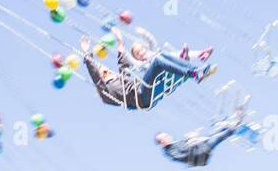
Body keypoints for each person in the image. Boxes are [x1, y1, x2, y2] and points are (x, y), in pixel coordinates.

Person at [79, 28, 214, 110]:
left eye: (106, 69)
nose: (106, 70)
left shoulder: (120, 78)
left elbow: (123, 63)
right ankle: (193, 73)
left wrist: (119, 39)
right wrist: (86, 52)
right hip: (142, 96)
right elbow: (95, 74)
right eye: (103, 71)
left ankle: (195, 70)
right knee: (156, 61)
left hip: (147, 89)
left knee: (160, 56)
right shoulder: (105, 91)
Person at [156, 108, 262, 167]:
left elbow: (187, 144)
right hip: (200, 153)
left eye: (166, 135)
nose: (168, 136)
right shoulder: (170, 152)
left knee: (217, 130)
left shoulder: (175, 144)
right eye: (165, 137)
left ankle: (235, 122)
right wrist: (192, 142)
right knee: (218, 136)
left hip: (200, 146)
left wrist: (191, 138)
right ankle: (238, 123)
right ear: (162, 142)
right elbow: (183, 156)